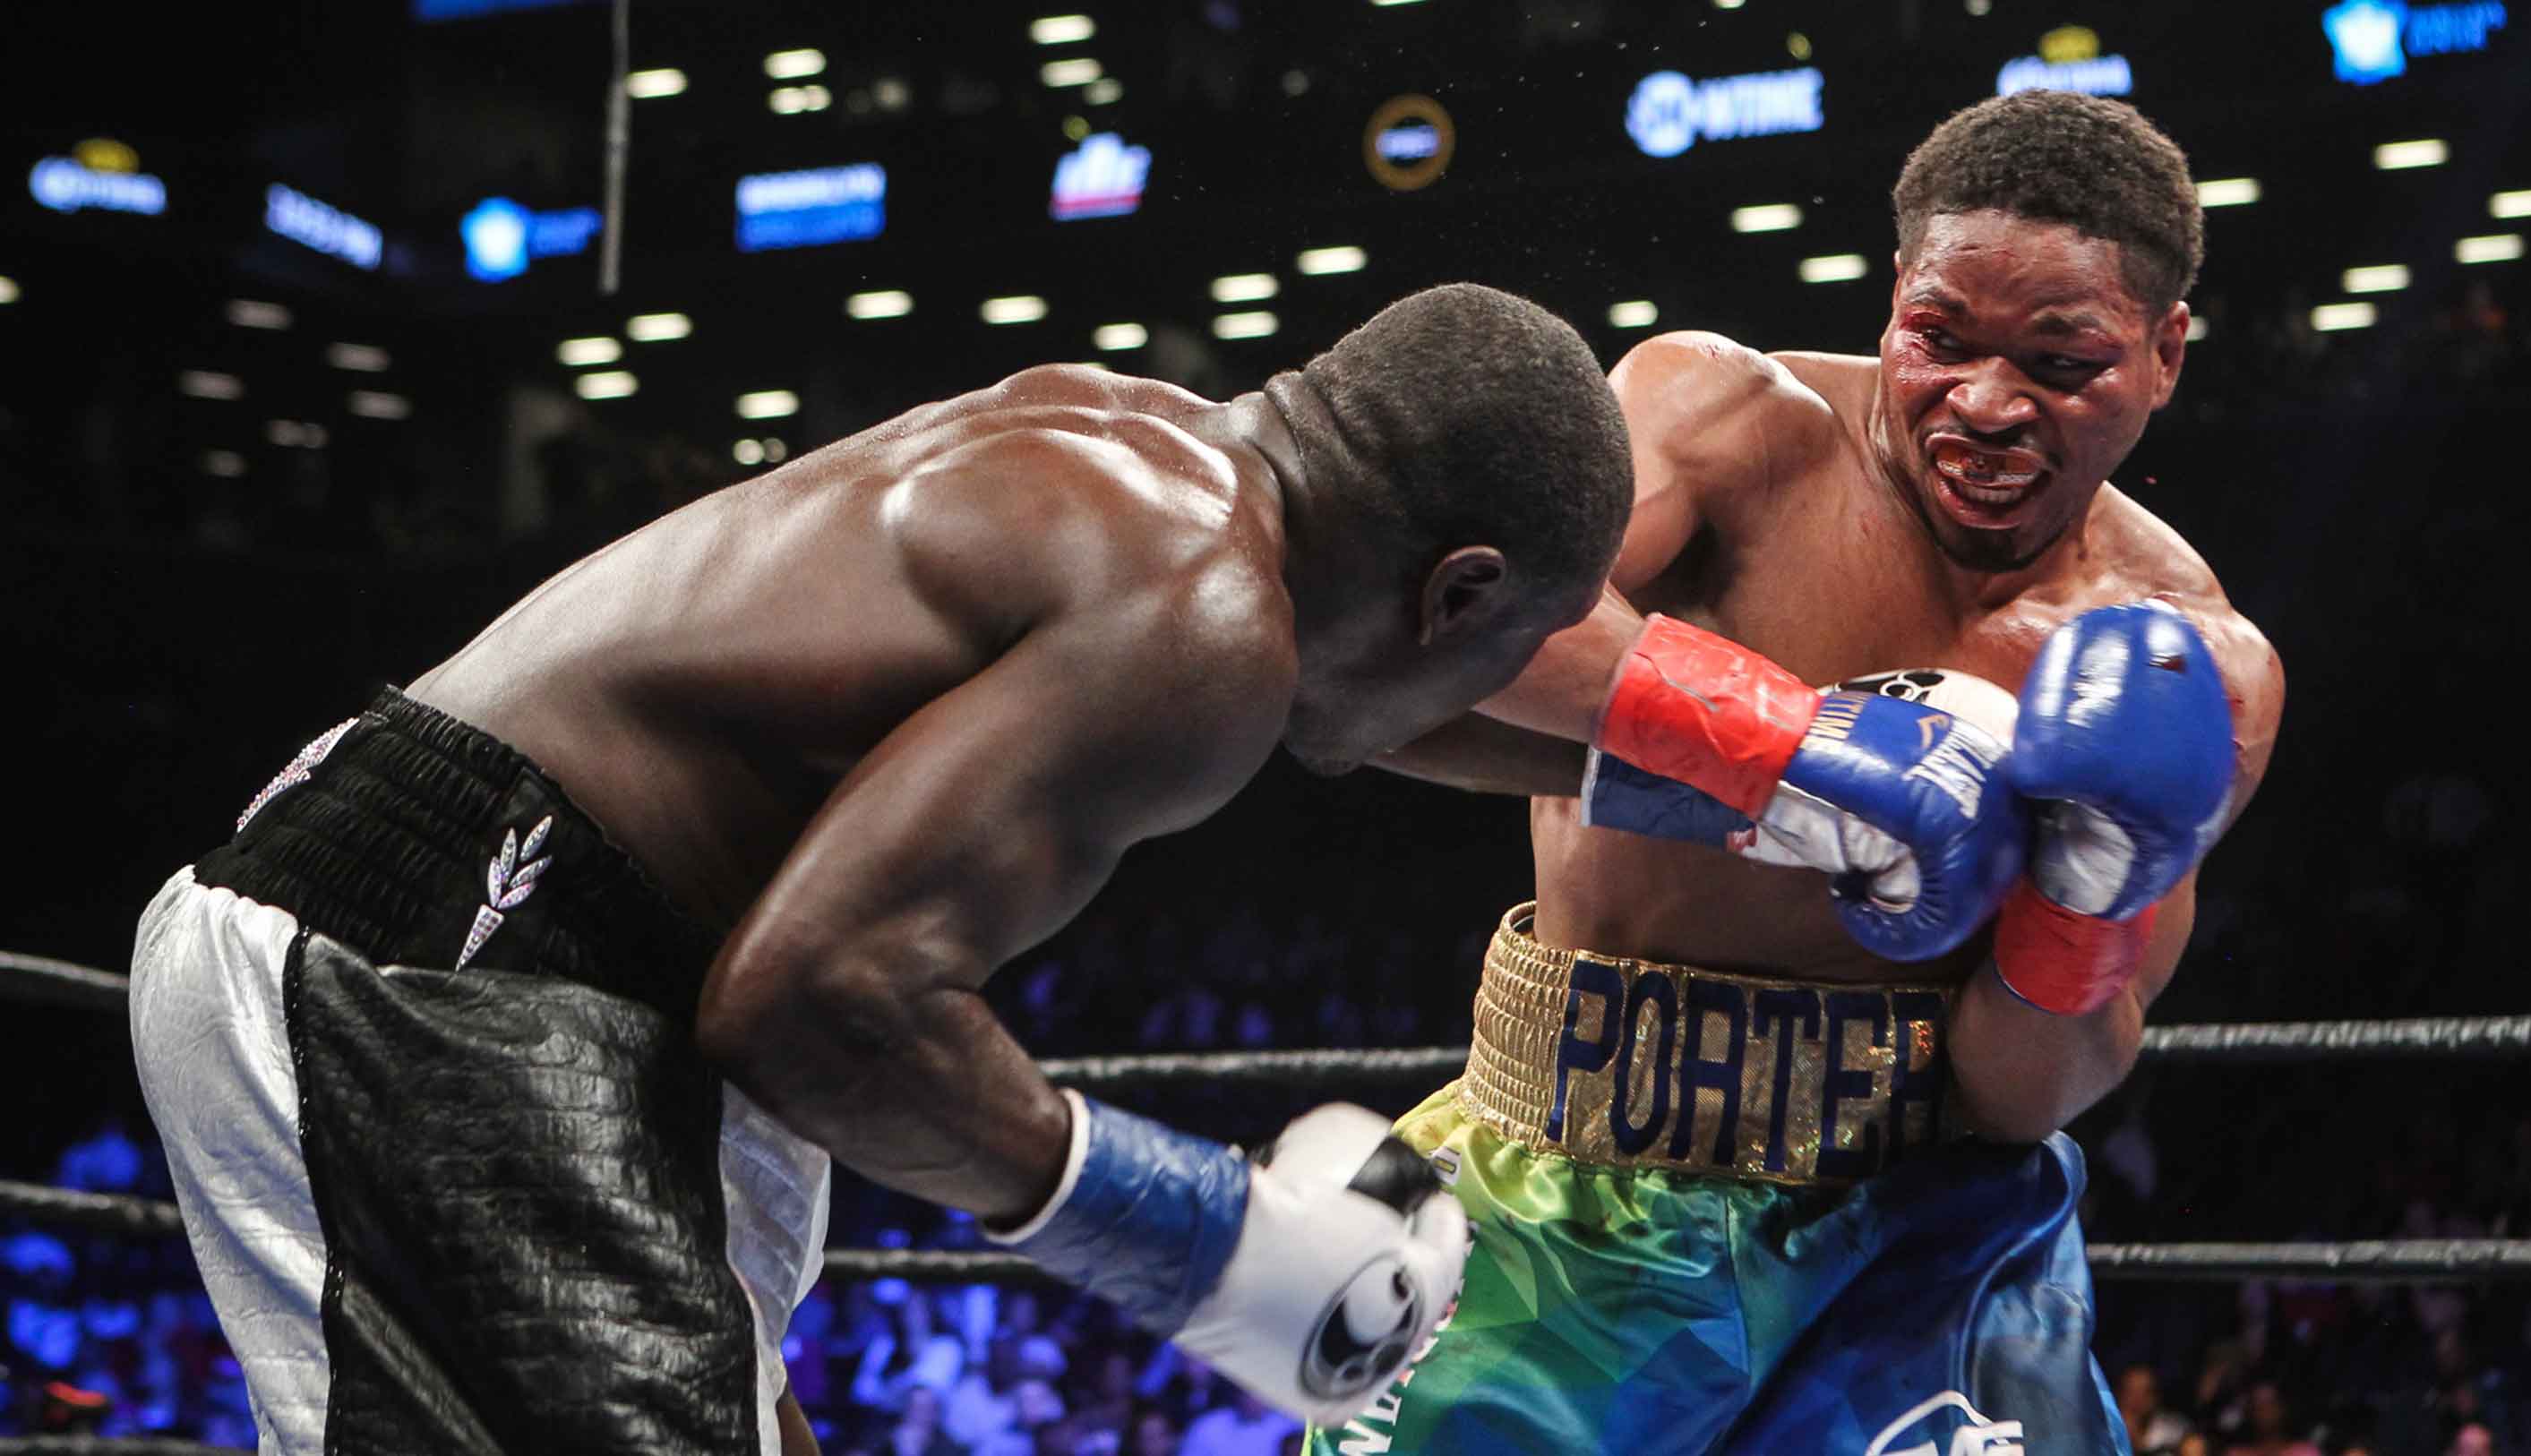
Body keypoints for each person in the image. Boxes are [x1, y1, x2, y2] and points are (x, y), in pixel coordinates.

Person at [124, 284, 1645, 1456]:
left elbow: (1384, 716)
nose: (1470, 720)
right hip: (455, 966)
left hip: (493, 945)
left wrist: (1749, 786)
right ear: (1461, 594)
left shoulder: (1141, 455)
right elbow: (810, 1000)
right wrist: (1206, 1240)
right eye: (1497, 662)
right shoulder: (1210, 619)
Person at [1329, 91, 2286, 1453]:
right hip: (1569, 1190)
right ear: (1895, 295)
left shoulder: (2190, 664)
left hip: (1923, 1237)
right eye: (1940, 340)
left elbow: (2022, 1090)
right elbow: (1454, 617)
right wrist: (1795, 752)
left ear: (2165, 349)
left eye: (2060, 363)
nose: (1989, 404)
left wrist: (2081, 906)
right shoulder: (1726, 420)